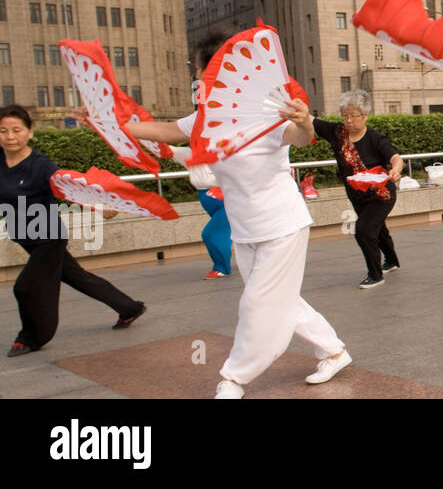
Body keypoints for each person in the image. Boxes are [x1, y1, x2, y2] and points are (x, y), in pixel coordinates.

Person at [125, 33, 351, 398]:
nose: (198, 78)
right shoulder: (206, 118)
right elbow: (167, 130)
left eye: (201, 70)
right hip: (244, 228)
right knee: (281, 300)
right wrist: (113, 125)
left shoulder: (266, 112)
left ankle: (233, 378)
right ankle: (334, 350)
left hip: (281, 224)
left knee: (258, 302)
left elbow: (300, 136)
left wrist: (306, 121)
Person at [2, 104, 146, 357]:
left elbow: (67, 185)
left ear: (30, 132)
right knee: (78, 277)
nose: (10, 136)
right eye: (3, 131)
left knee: (25, 287)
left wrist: (97, 206)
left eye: (16, 130)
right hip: (25, 237)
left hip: (48, 238)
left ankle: (32, 337)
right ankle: (129, 307)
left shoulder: (40, 165)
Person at [311, 90, 403, 288]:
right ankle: (392, 261)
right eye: (345, 116)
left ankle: (376, 275)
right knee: (377, 229)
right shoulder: (337, 133)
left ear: (365, 115)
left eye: (353, 116)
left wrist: (396, 169)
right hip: (356, 194)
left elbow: (395, 157)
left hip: (381, 194)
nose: (349, 120)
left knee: (364, 230)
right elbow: (311, 121)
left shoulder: (375, 138)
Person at [172, 144, 232, 279]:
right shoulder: (188, 153)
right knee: (228, 232)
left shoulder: (225, 151)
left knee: (212, 233)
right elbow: (165, 149)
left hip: (226, 196)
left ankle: (221, 267)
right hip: (206, 196)